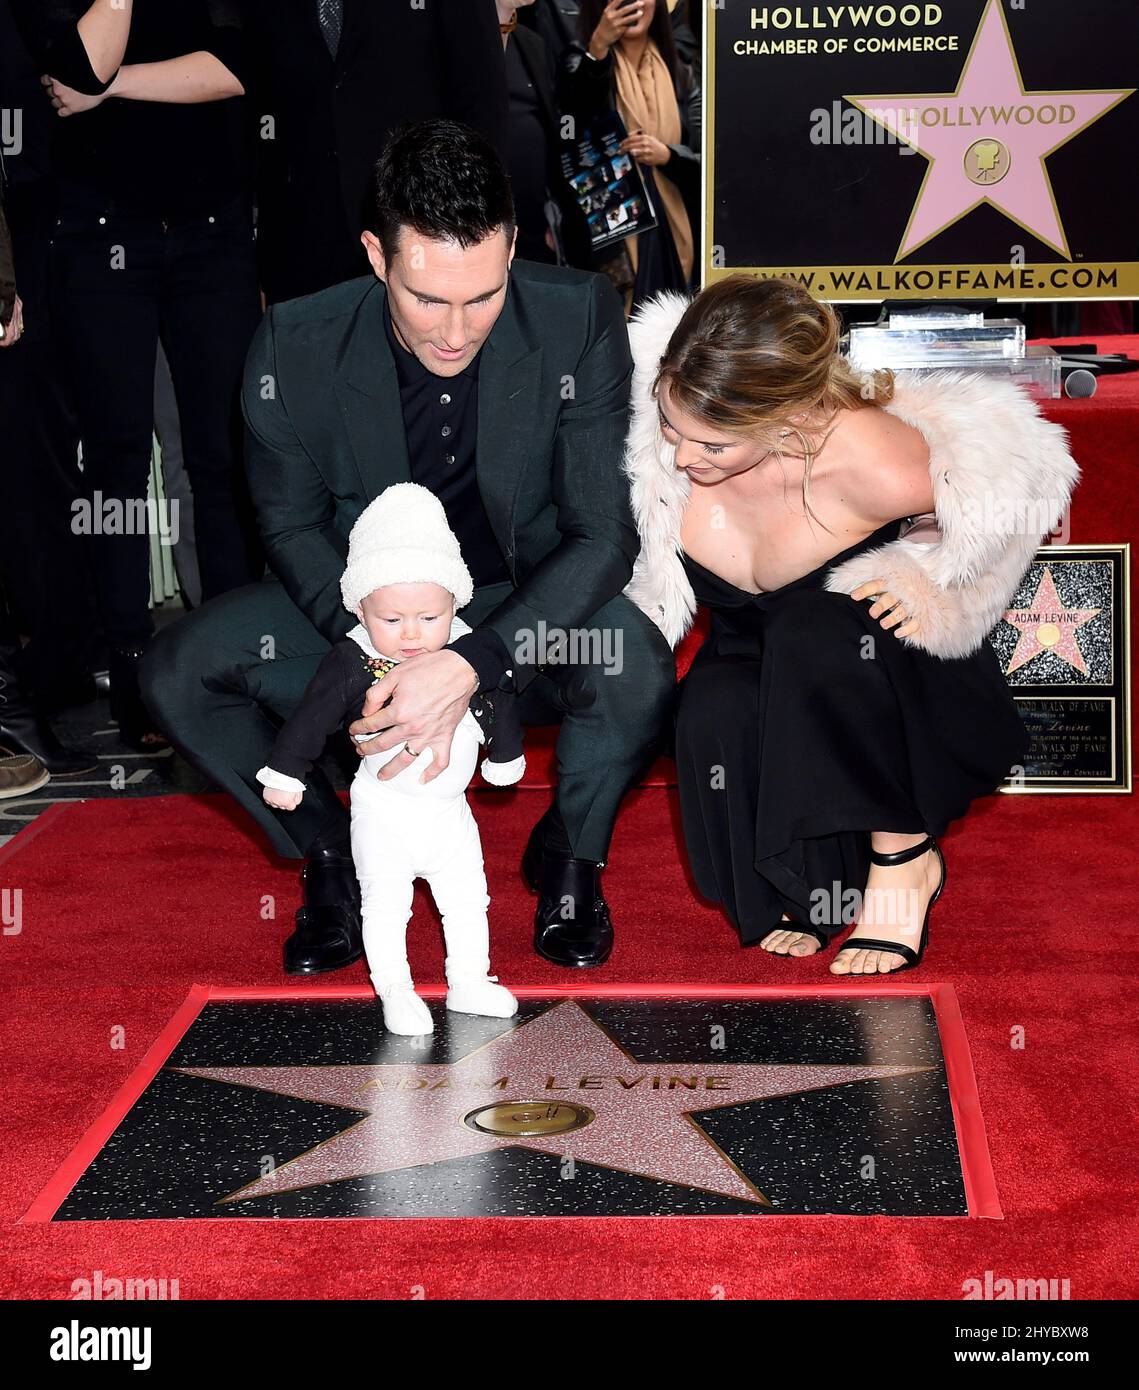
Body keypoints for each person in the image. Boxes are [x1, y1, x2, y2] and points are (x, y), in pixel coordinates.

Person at [140, 119, 676, 977]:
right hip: (365, 609)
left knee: (634, 660)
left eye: (484, 294)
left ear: (509, 249)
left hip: (515, 601)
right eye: (429, 299)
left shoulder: (575, 315)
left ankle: (573, 856)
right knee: (178, 670)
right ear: (376, 255)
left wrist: (470, 661)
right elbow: (287, 528)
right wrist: (382, 650)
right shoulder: (293, 346)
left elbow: (602, 533)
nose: (457, 331)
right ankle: (328, 856)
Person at [621, 276, 1079, 974]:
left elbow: (1021, 499)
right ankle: (812, 880)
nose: (682, 459)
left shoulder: (878, 461)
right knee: (711, 706)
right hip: (754, 648)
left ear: (789, 426)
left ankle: (904, 858)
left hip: (877, 664)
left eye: (713, 447)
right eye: (670, 428)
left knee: (814, 627)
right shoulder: (659, 431)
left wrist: (926, 576)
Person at [12, 0, 264, 749]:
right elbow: (73, 69)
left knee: (221, 456)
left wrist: (115, 89)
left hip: (214, 229)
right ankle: (132, 678)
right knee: (115, 457)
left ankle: (230, 670)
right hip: (94, 233)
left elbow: (237, 68)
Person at [258, 485, 523, 1034]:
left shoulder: (467, 652)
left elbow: (499, 703)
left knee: (469, 900)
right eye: (391, 619)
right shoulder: (354, 659)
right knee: (386, 908)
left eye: (428, 618)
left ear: (456, 604)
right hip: (385, 812)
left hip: (452, 814)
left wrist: (505, 756)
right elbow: (311, 717)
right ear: (360, 609)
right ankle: (397, 992)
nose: (410, 635)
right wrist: (287, 771)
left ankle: (470, 980)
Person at [242, 0, 508, 303]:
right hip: (302, 235)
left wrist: (478, 219)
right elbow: (265, 102)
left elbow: (482, 97)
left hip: (423, 219)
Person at [561, 0, 700, 312]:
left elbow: (708, 164)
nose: (634, 3)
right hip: (616, 229)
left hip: (672, 222)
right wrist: (598, 47)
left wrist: (668, 155)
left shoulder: (681, 72)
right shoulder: (579, 59)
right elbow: (575, 119)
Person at [497, 0, 592, 269]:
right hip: (475, 225)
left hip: (535, 231)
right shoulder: (456, 39)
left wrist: (556, 220)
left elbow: (560, 125)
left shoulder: (533, 44)